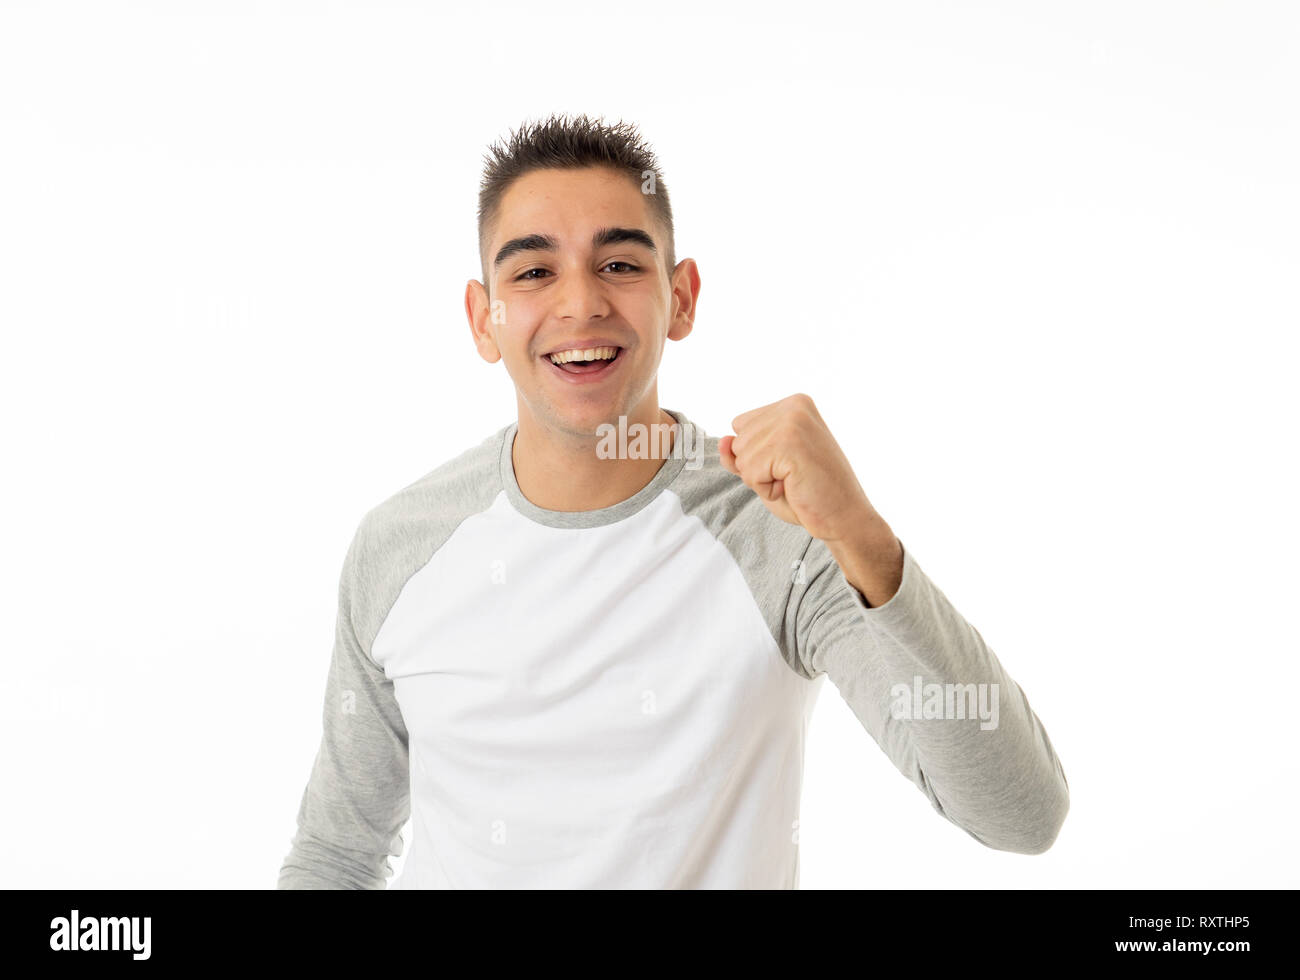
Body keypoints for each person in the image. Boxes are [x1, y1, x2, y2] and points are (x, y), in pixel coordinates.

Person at [276, 113, 1069, 889]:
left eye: (619, 264)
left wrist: (859, 533)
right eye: (533, 270)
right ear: (485, 320)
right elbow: (338, 856)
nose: (580, 303)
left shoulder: (783, 539)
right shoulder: (400, 545)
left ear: (681, 298)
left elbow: (1021, 816)